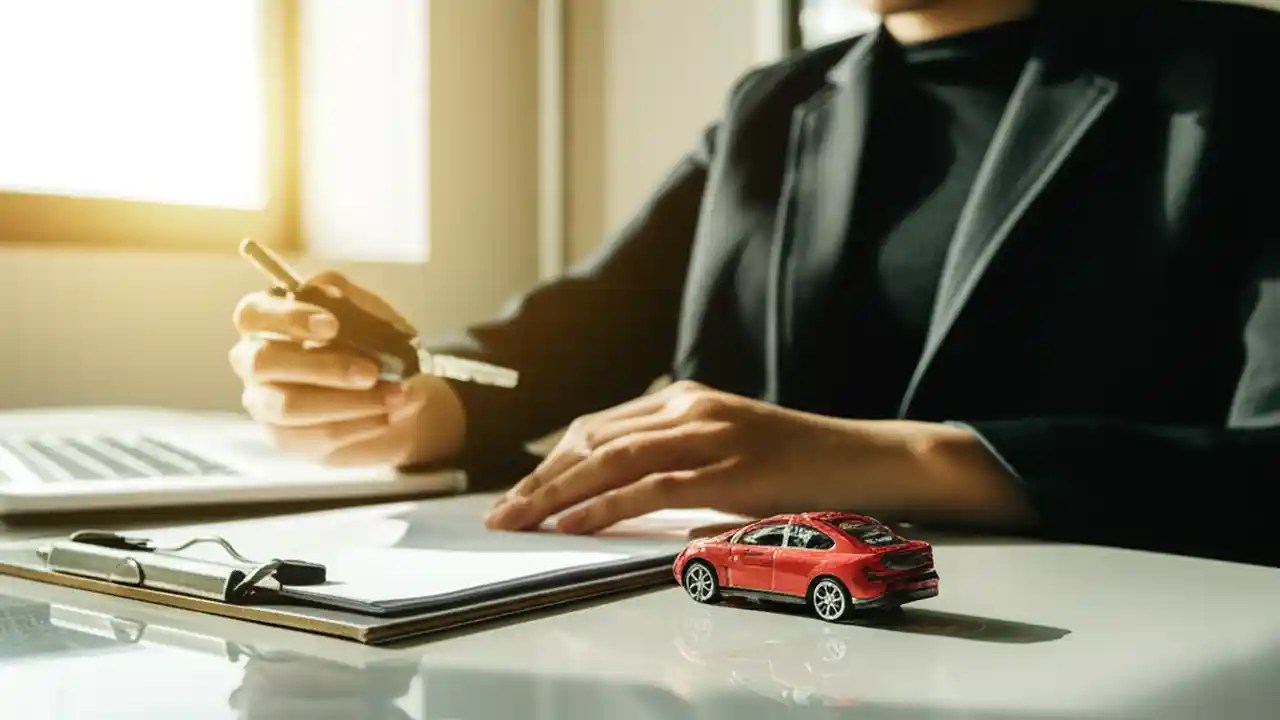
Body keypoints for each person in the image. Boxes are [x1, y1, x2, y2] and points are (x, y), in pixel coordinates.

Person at [230, 0, 1280, 566]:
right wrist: (418, 404)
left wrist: (871, 458)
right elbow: (573, 334)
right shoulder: (776, 106)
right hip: (765, 656)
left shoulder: (1236, 72)